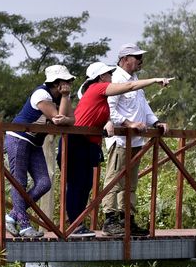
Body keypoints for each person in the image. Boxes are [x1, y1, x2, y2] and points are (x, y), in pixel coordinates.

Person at [67, 61, 171, 237]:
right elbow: (130, 86)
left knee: (85, 185)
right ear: (101, 78)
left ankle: (85, 224)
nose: (111, 76)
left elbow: (100, 112)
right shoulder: (98, 88)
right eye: (108, 74)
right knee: (80, 184)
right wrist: (154, 80)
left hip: (89, 142)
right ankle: (83, 225)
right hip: (78, 141)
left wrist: (108, 121)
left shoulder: (99, 94)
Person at [101, 43, 170, 236]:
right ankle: (110, 220)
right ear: (124, 59)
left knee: (131, 183)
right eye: (136, 57)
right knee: (114, 181)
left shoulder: (135, 79)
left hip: (135, 141)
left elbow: (143, 106)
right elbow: (109, 109)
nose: (140, 60)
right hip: (121, 140)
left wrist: (156, 122)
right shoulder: (115, 79)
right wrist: (128, 123)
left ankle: (127, 221)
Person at [4, 65, 74, 237]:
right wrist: (64, 104)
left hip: (34, 143)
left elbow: (70, 120)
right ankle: (25, 226)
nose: (69, 84)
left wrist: (65, 99)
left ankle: (12, 216)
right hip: (18, 138)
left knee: (44, 183)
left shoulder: (64, 97)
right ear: (57, 83)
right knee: (19, 182)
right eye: (67, 81)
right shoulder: (41, 94)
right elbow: (59, 120)